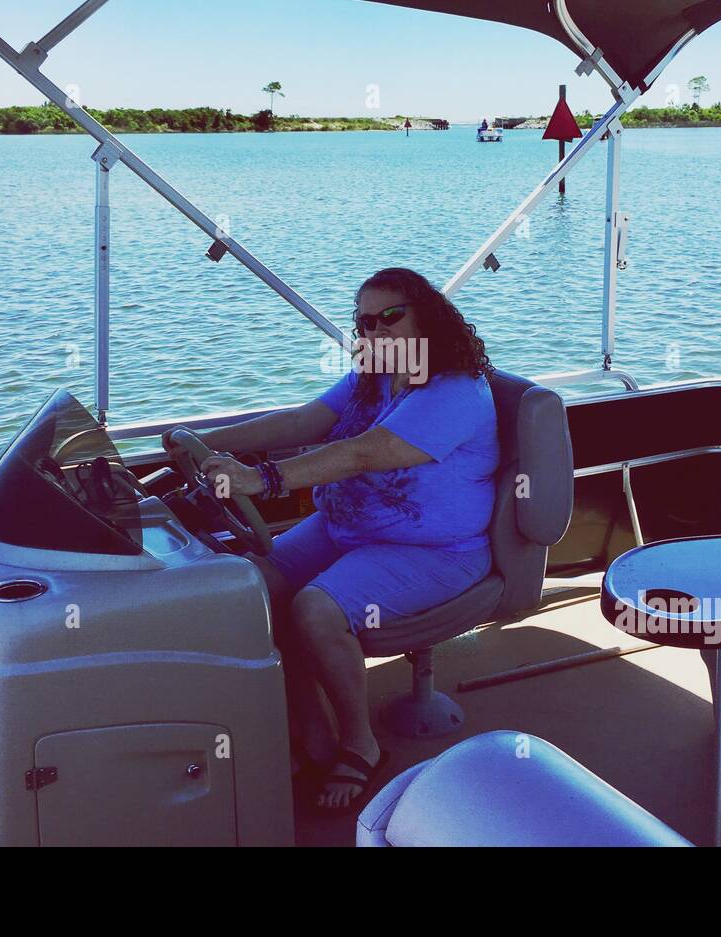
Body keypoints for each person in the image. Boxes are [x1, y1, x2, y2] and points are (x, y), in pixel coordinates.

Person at [169, 267, 499, 814]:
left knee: (315, 611)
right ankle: (313, 731)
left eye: (390, 316)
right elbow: (303, 421)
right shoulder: (372, 378)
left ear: (429, 318)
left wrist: (264, 479)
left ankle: (360, 746)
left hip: (436, 552)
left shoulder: (456, 390)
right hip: (348, 525)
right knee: (251, 591)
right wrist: (202, 442)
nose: (375, 331)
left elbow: (368, 451)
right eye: (365, 321)